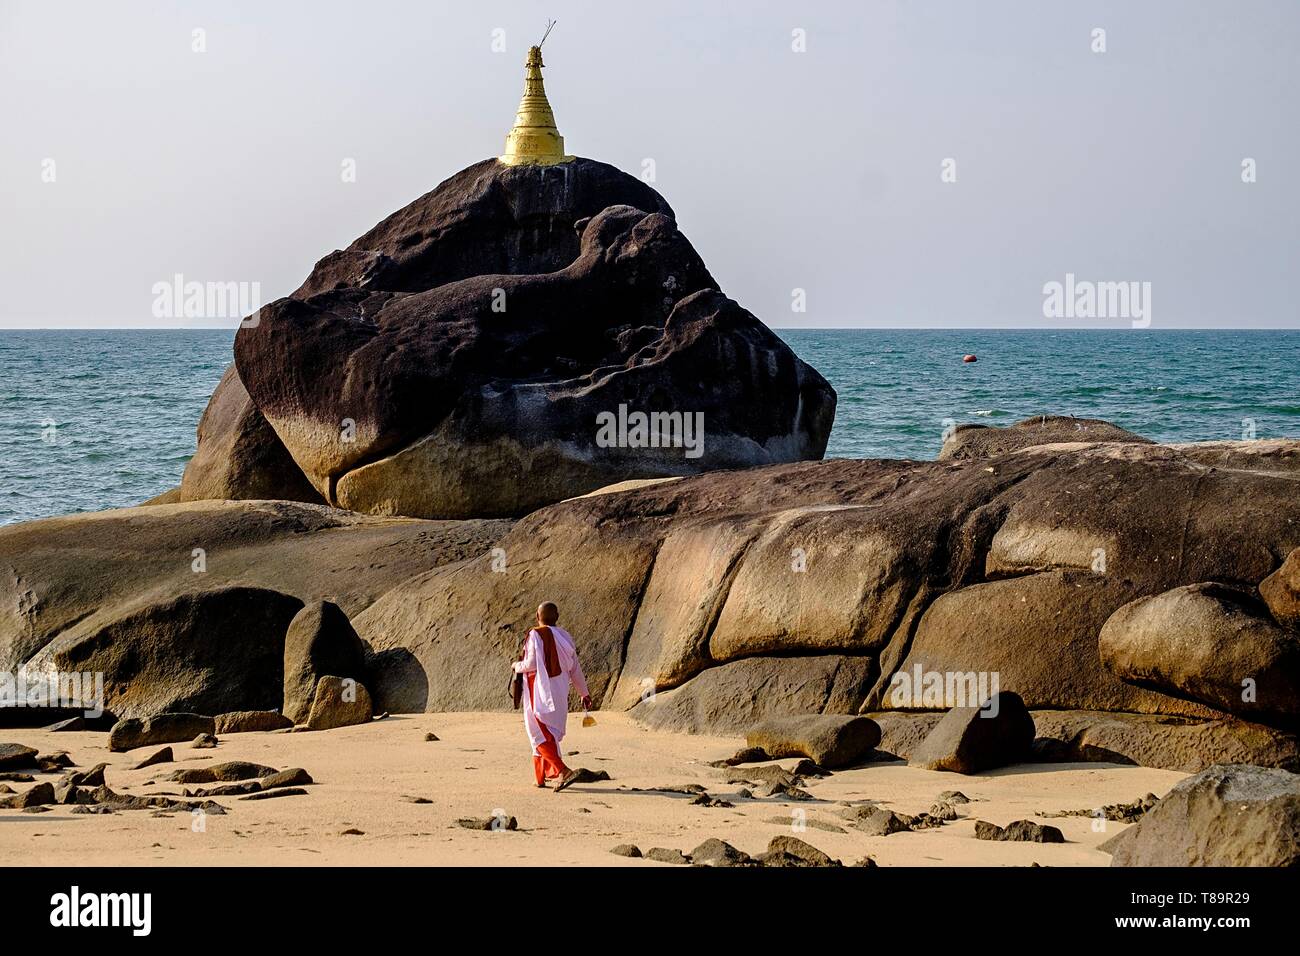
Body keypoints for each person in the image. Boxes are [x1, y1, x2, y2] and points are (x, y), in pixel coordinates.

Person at [512, 601, 592, 791]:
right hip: (561, 690)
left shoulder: (535, 634)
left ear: (537, 616)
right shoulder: (565, 636)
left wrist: (516, 665)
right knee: (547, 733)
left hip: (540, 692)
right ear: (557, 617)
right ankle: (540, 777)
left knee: (538, 734)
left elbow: (530, 664)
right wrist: (584, 693)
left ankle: (562, 771)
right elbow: (575, 669)